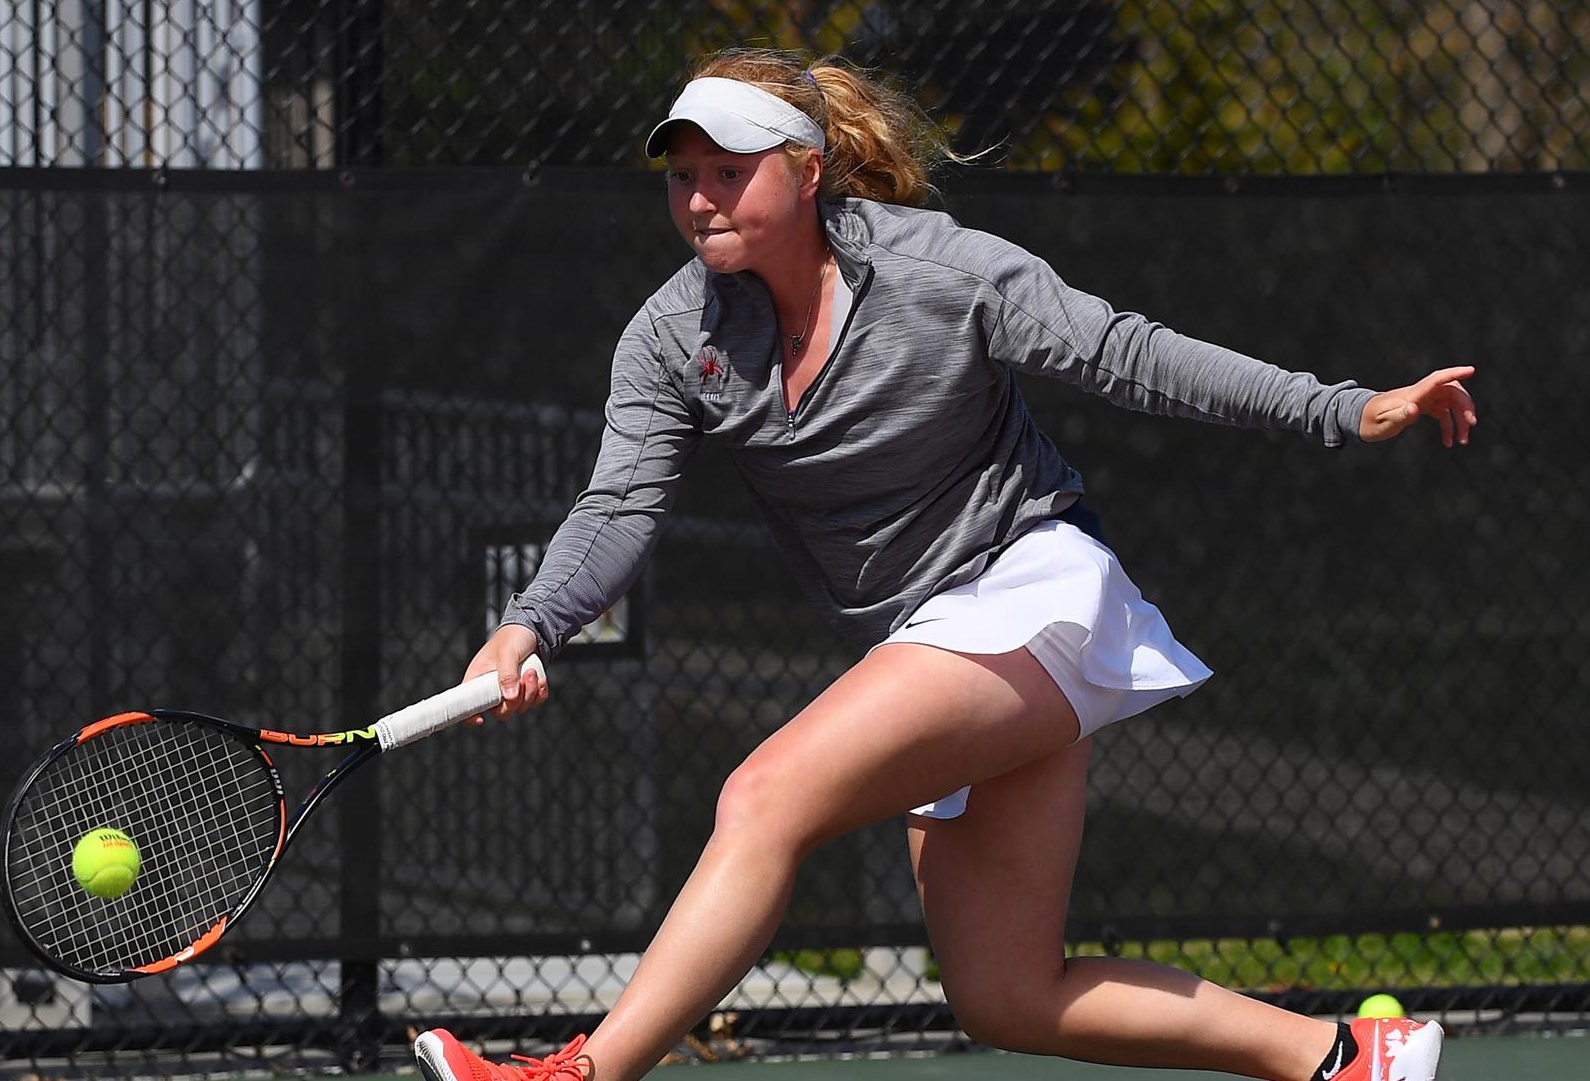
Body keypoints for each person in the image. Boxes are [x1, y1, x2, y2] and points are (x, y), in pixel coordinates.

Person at [415, 48, 1475, 1081]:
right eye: (682, 175)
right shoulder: (668, 336)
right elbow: (620, 504)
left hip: (1028, 587)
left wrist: (1344, 407)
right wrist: (530, 623)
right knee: (1007, 994)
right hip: (925, 636)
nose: (699, 199)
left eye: (728, 172)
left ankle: (578, 1074)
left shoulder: (941, 269)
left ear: (809, 168)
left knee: (763, 796)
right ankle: (1343, 1056)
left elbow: (1128, 351)